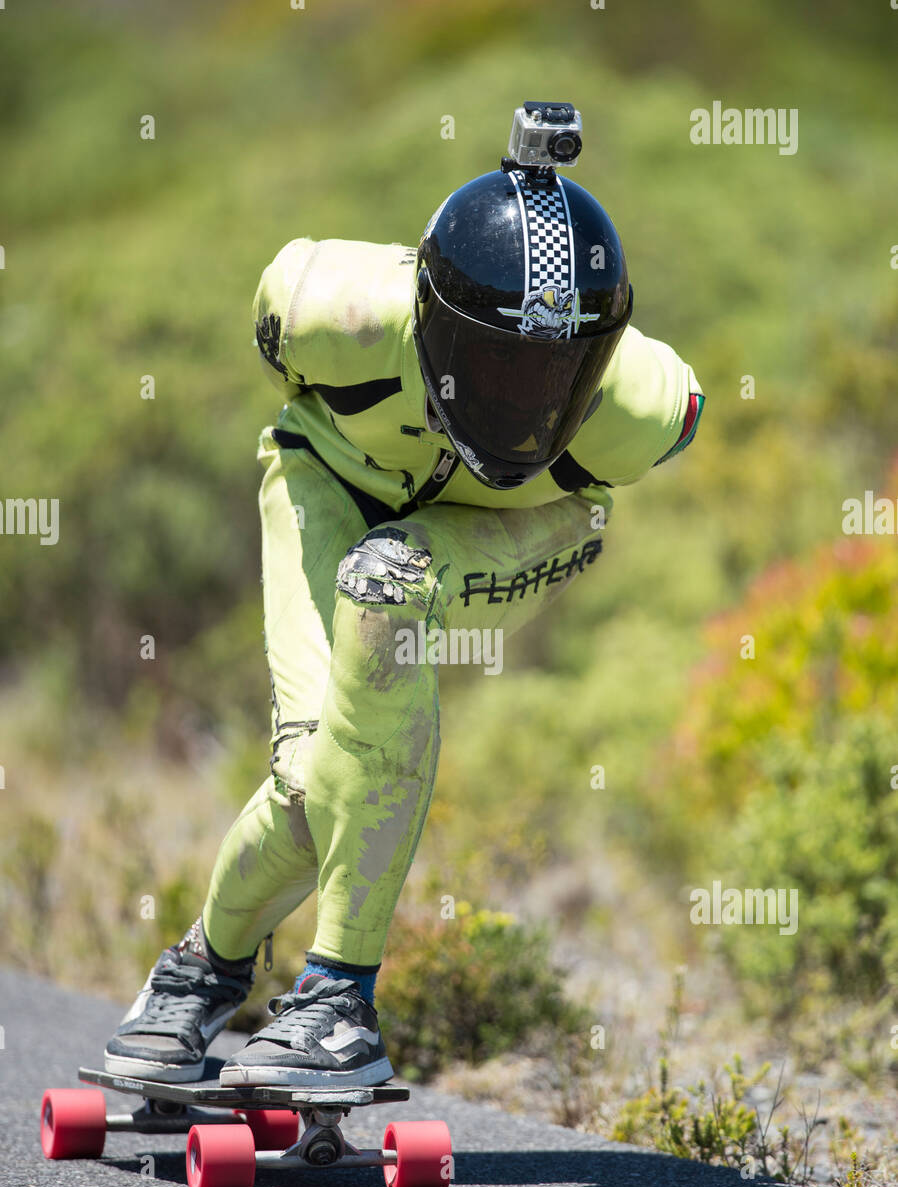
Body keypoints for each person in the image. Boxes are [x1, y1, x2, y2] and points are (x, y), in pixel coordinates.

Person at [104, 104, 704, 1090]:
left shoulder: (642, 403)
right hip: (323, 489)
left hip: (503, 535)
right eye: (497, 366)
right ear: (425, 318)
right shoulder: (319, 308)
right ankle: (201, 968)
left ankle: (337, 998)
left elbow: (683, 412)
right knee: (311, 781)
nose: (525, 404)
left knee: (390, 584)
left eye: (557, 373)